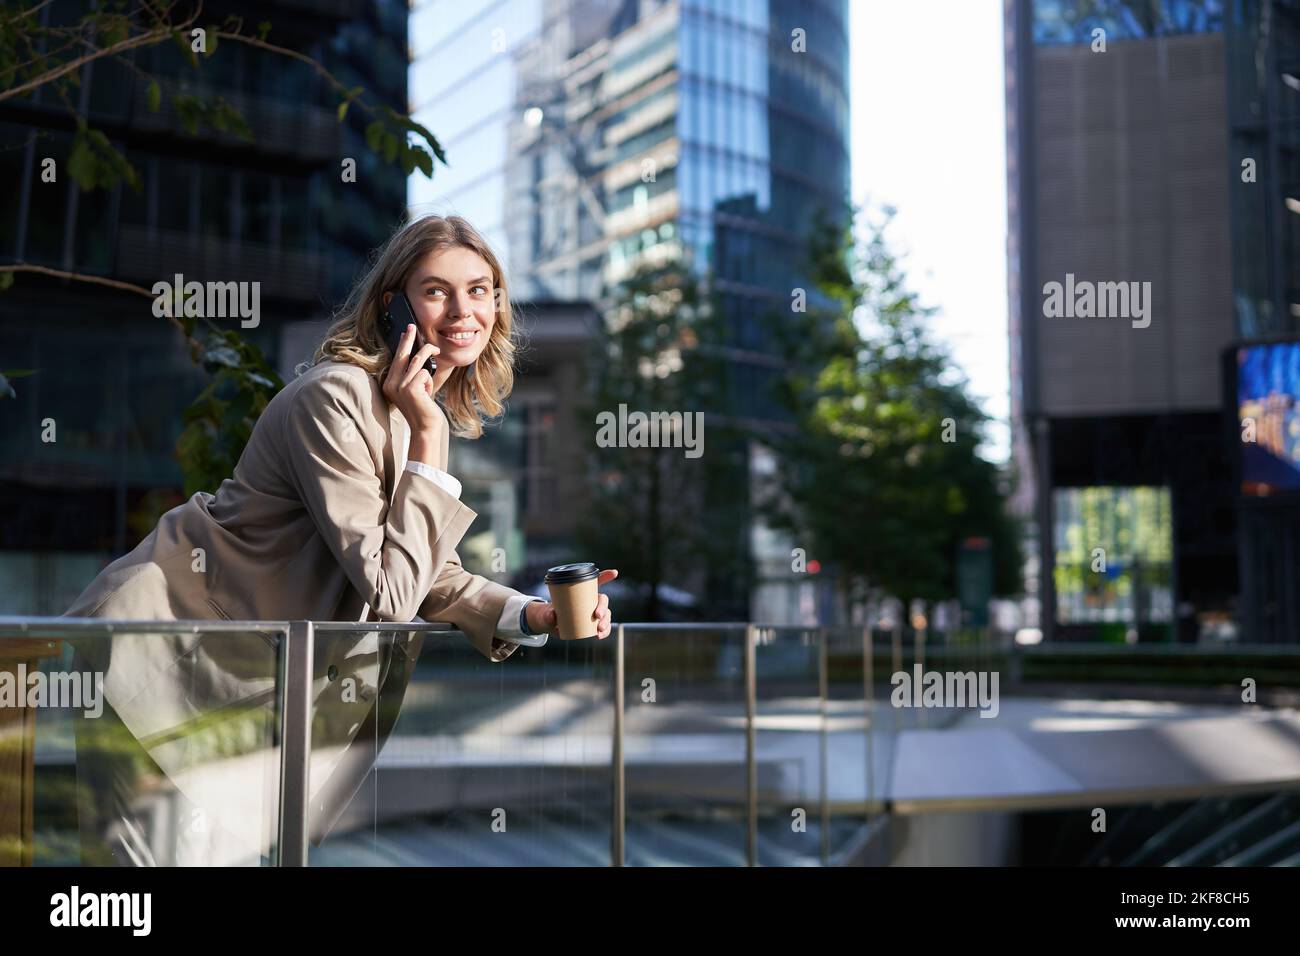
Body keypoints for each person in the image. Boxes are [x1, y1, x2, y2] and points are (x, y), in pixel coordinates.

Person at [62, 214, 618, 865]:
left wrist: (531, 614)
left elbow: (424, 572)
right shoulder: (337, 398)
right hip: (161, 652)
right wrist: (432, 438)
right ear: (394, 307)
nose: (464, 309)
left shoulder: (402, 415)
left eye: (480, 289)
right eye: (437, 290)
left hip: (243, 687)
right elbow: (390, 592)